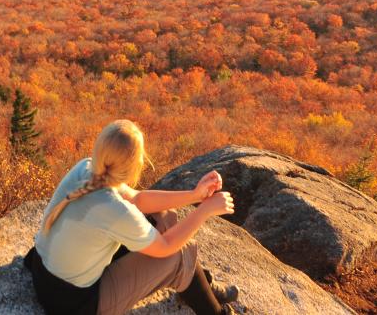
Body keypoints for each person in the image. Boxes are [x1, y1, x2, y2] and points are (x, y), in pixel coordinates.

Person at [23, 120, 240, 315]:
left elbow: (137, 198)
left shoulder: (86, 167)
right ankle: (213, 308)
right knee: (180, 255)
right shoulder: (115, 210)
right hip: (74, 303)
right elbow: (166, 246)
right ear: (135, 166)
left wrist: (195, 195)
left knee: (165, 216)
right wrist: (204, 211)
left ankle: (199, 285)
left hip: (44, 274)